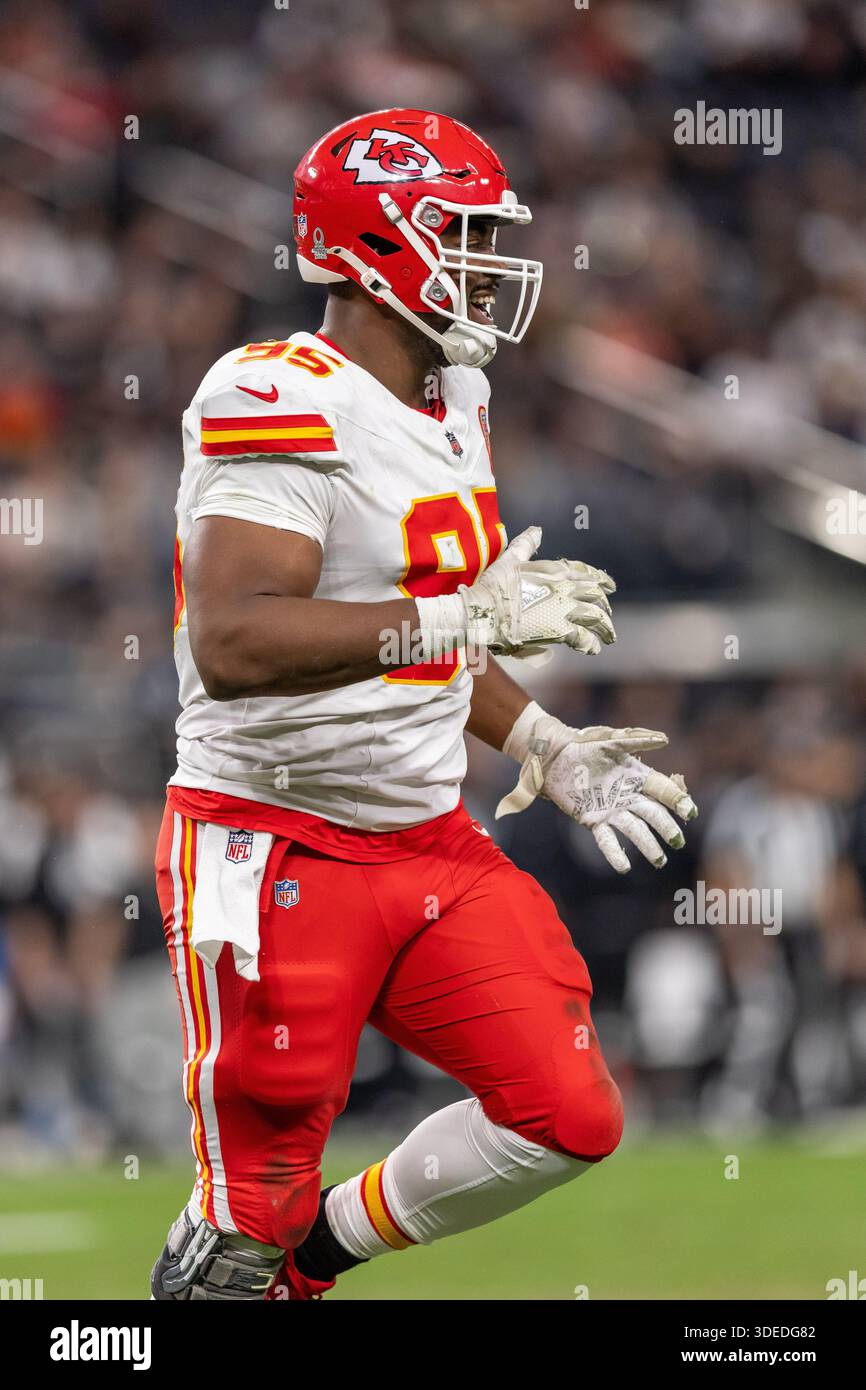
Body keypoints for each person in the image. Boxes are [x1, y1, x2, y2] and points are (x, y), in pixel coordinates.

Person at [151, 109, 697, 1300]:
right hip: (276, 837)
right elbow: (237, 639)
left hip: (425, 838)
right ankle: (248, 1251)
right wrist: (462, 623)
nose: (484, 260)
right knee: (242, 1228)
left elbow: (424, 641)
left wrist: (539, 736)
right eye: (459, 230)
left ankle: (320, 1253)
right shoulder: (272, 387)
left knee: (565, 1113)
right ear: (377, 241)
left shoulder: (456, 394)